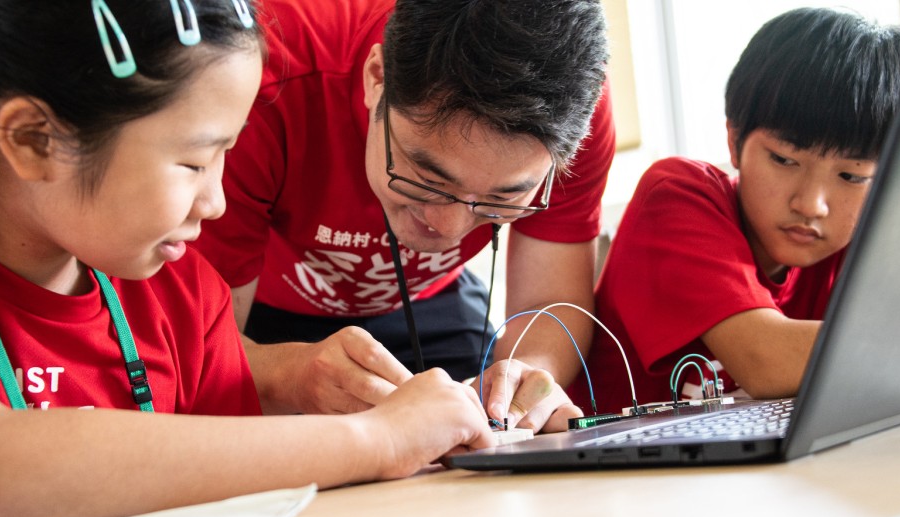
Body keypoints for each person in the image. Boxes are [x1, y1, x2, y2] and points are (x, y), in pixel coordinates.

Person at [0, 0, 493, 517]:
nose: (217, 202)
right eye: (195, 162)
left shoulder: (181, 295)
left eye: (227, 156)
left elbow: (238, 516)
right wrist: (379, 440)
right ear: (34, 139)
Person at [576, 7, 900, 413]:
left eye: (851, 176)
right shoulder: (679, 194)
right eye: (783, 159)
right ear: (734, 140)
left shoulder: (865, 235)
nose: (811, 204)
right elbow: (768, 360)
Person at [193, 0, 615, 432]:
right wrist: (282, 376)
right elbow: (191, 349)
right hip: (254, 314)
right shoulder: (257, 79)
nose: (448, 229)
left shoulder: (572, 112)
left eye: (501, 198)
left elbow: (548, 304)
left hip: (430, 300)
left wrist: (523, 375)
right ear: (376, 78)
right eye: (426, 178)